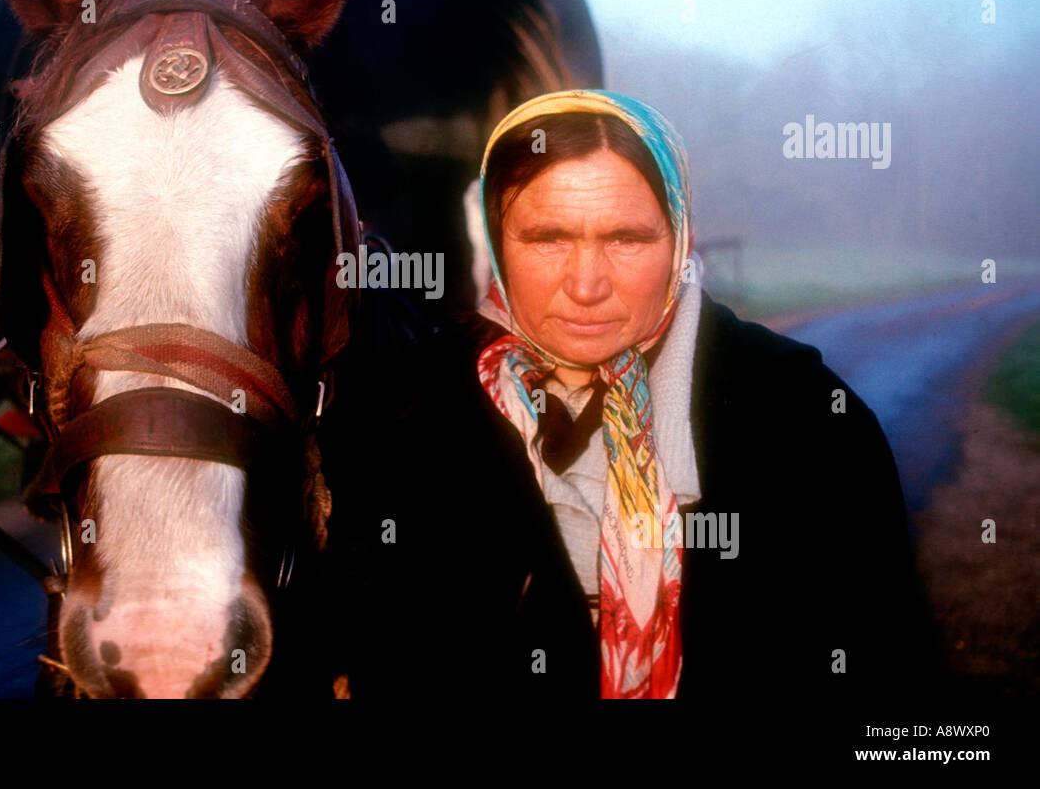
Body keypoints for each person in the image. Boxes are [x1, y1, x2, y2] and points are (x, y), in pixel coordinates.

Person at [332, 89, 942, 700]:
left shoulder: (806, 422)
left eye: (626, 238)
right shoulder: (413, 412)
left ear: (680, 240)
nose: (587, 284)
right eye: (548, 238)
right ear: (496, 242)